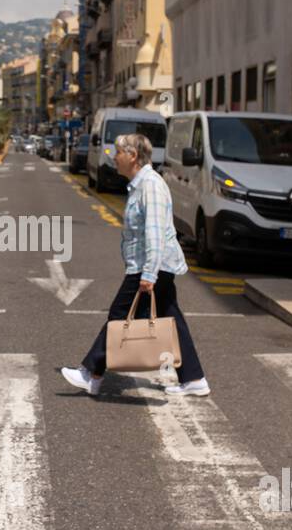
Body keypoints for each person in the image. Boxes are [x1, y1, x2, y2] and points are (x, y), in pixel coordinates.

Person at [62, 132, 208, 397]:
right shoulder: (141, 184)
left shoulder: (150, 185)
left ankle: (90, 373)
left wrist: (149, 273)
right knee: (170, 317)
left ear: (132, 156)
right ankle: (194, 378)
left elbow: (154, 232)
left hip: (150, 265)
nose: (113, 156)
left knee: (119, 316)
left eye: (118, 152)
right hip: (154, 265)